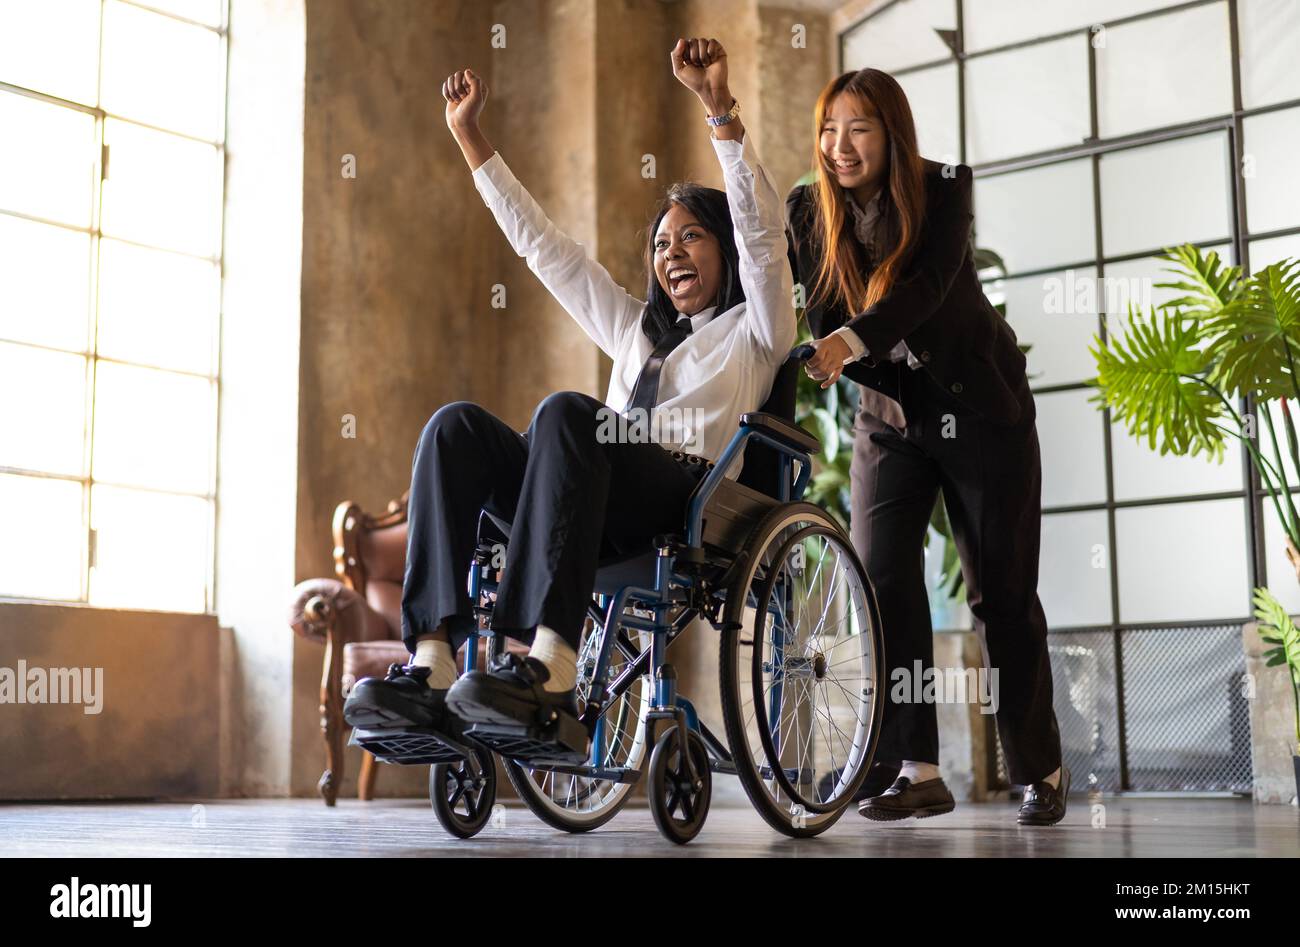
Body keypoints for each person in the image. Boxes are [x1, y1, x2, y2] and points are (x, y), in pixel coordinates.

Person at [343, 38, 795, 752]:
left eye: (692, 237)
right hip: (587, 487)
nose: (671, 252)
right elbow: (544, 248)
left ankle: (549, 664)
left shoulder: (757, 330)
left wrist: (719, 111)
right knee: (453, 427)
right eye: (661, 243)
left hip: (680, 499)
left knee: (566, 413)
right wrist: (469, 137)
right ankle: (431, 663)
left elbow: (763, 237)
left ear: (727, 252)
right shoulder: (633, 328)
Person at [785, 67, 1069, 825]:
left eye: (860, 128)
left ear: (893, 134)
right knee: (882, 580)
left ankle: (1039, 767)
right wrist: (831, 343)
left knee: (1000, 594)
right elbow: (817, 307)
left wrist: (850, 337)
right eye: (829, 129)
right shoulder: (807, 209)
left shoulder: (943, 188)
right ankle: (918, 769)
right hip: (886, 415)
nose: (840, 146)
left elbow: (928, 289)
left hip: (980, 407)